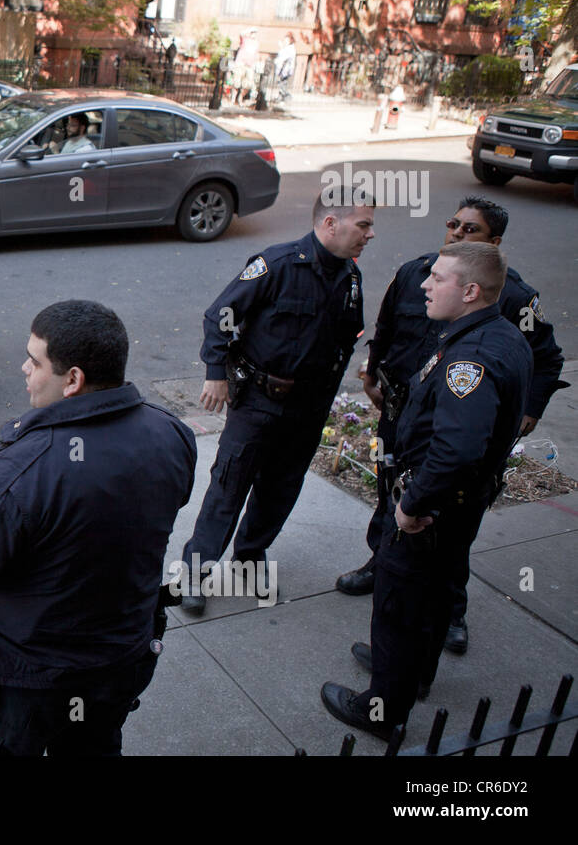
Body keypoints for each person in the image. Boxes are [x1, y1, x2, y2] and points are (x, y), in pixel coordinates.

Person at [0, 300, 197, 756]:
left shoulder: (26, 471)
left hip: (27, 678)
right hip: (119, 660)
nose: (24, 368)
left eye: (35, 360)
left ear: (73, 380)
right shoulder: (171, 433)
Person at [335, 196, 566, 655]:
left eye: (471, 230)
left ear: (494, 243)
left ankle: (449, 611)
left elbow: (546, 357)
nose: (458, 233)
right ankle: (381, 564)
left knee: (446, 527)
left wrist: (527, 411)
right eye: (453, 224)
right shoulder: (418, 273)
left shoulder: (511, 297)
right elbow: (384, 329)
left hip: (455, 429)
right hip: (401, 416)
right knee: (390, 497)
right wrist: (372, 371)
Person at [321, 242, 532, 739]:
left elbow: (457, 449)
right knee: (433, 596)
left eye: (438, 279)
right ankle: (411, 674)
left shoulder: (471, 359)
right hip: (461, 503)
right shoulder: (496, 335)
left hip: (432, 507)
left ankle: (382, 710)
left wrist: (412, 506)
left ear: (471, 291)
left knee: (399, 602)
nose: (424, 286)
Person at [178, 187, 374, 614]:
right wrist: (216, 374)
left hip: (307, 409)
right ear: (330, 223)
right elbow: (220, 316)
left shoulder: (350, 277)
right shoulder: (277, 264)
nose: (369, 234)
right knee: (229, 486)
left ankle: (249, 556)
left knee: (281, 489)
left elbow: (346, 338)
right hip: (259, 402)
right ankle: (195, 571)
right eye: (363, 224)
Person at [274, 34, 296, 102]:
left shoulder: (290, 49)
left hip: (285, 69)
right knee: (281, 83)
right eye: (285, 40)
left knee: (282, 83)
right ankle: (280, 97)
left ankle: (286, 97)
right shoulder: (287, 48)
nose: (285, 41)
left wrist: (281, 47)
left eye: (287, 40)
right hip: (283, 69)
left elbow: (283, 57)